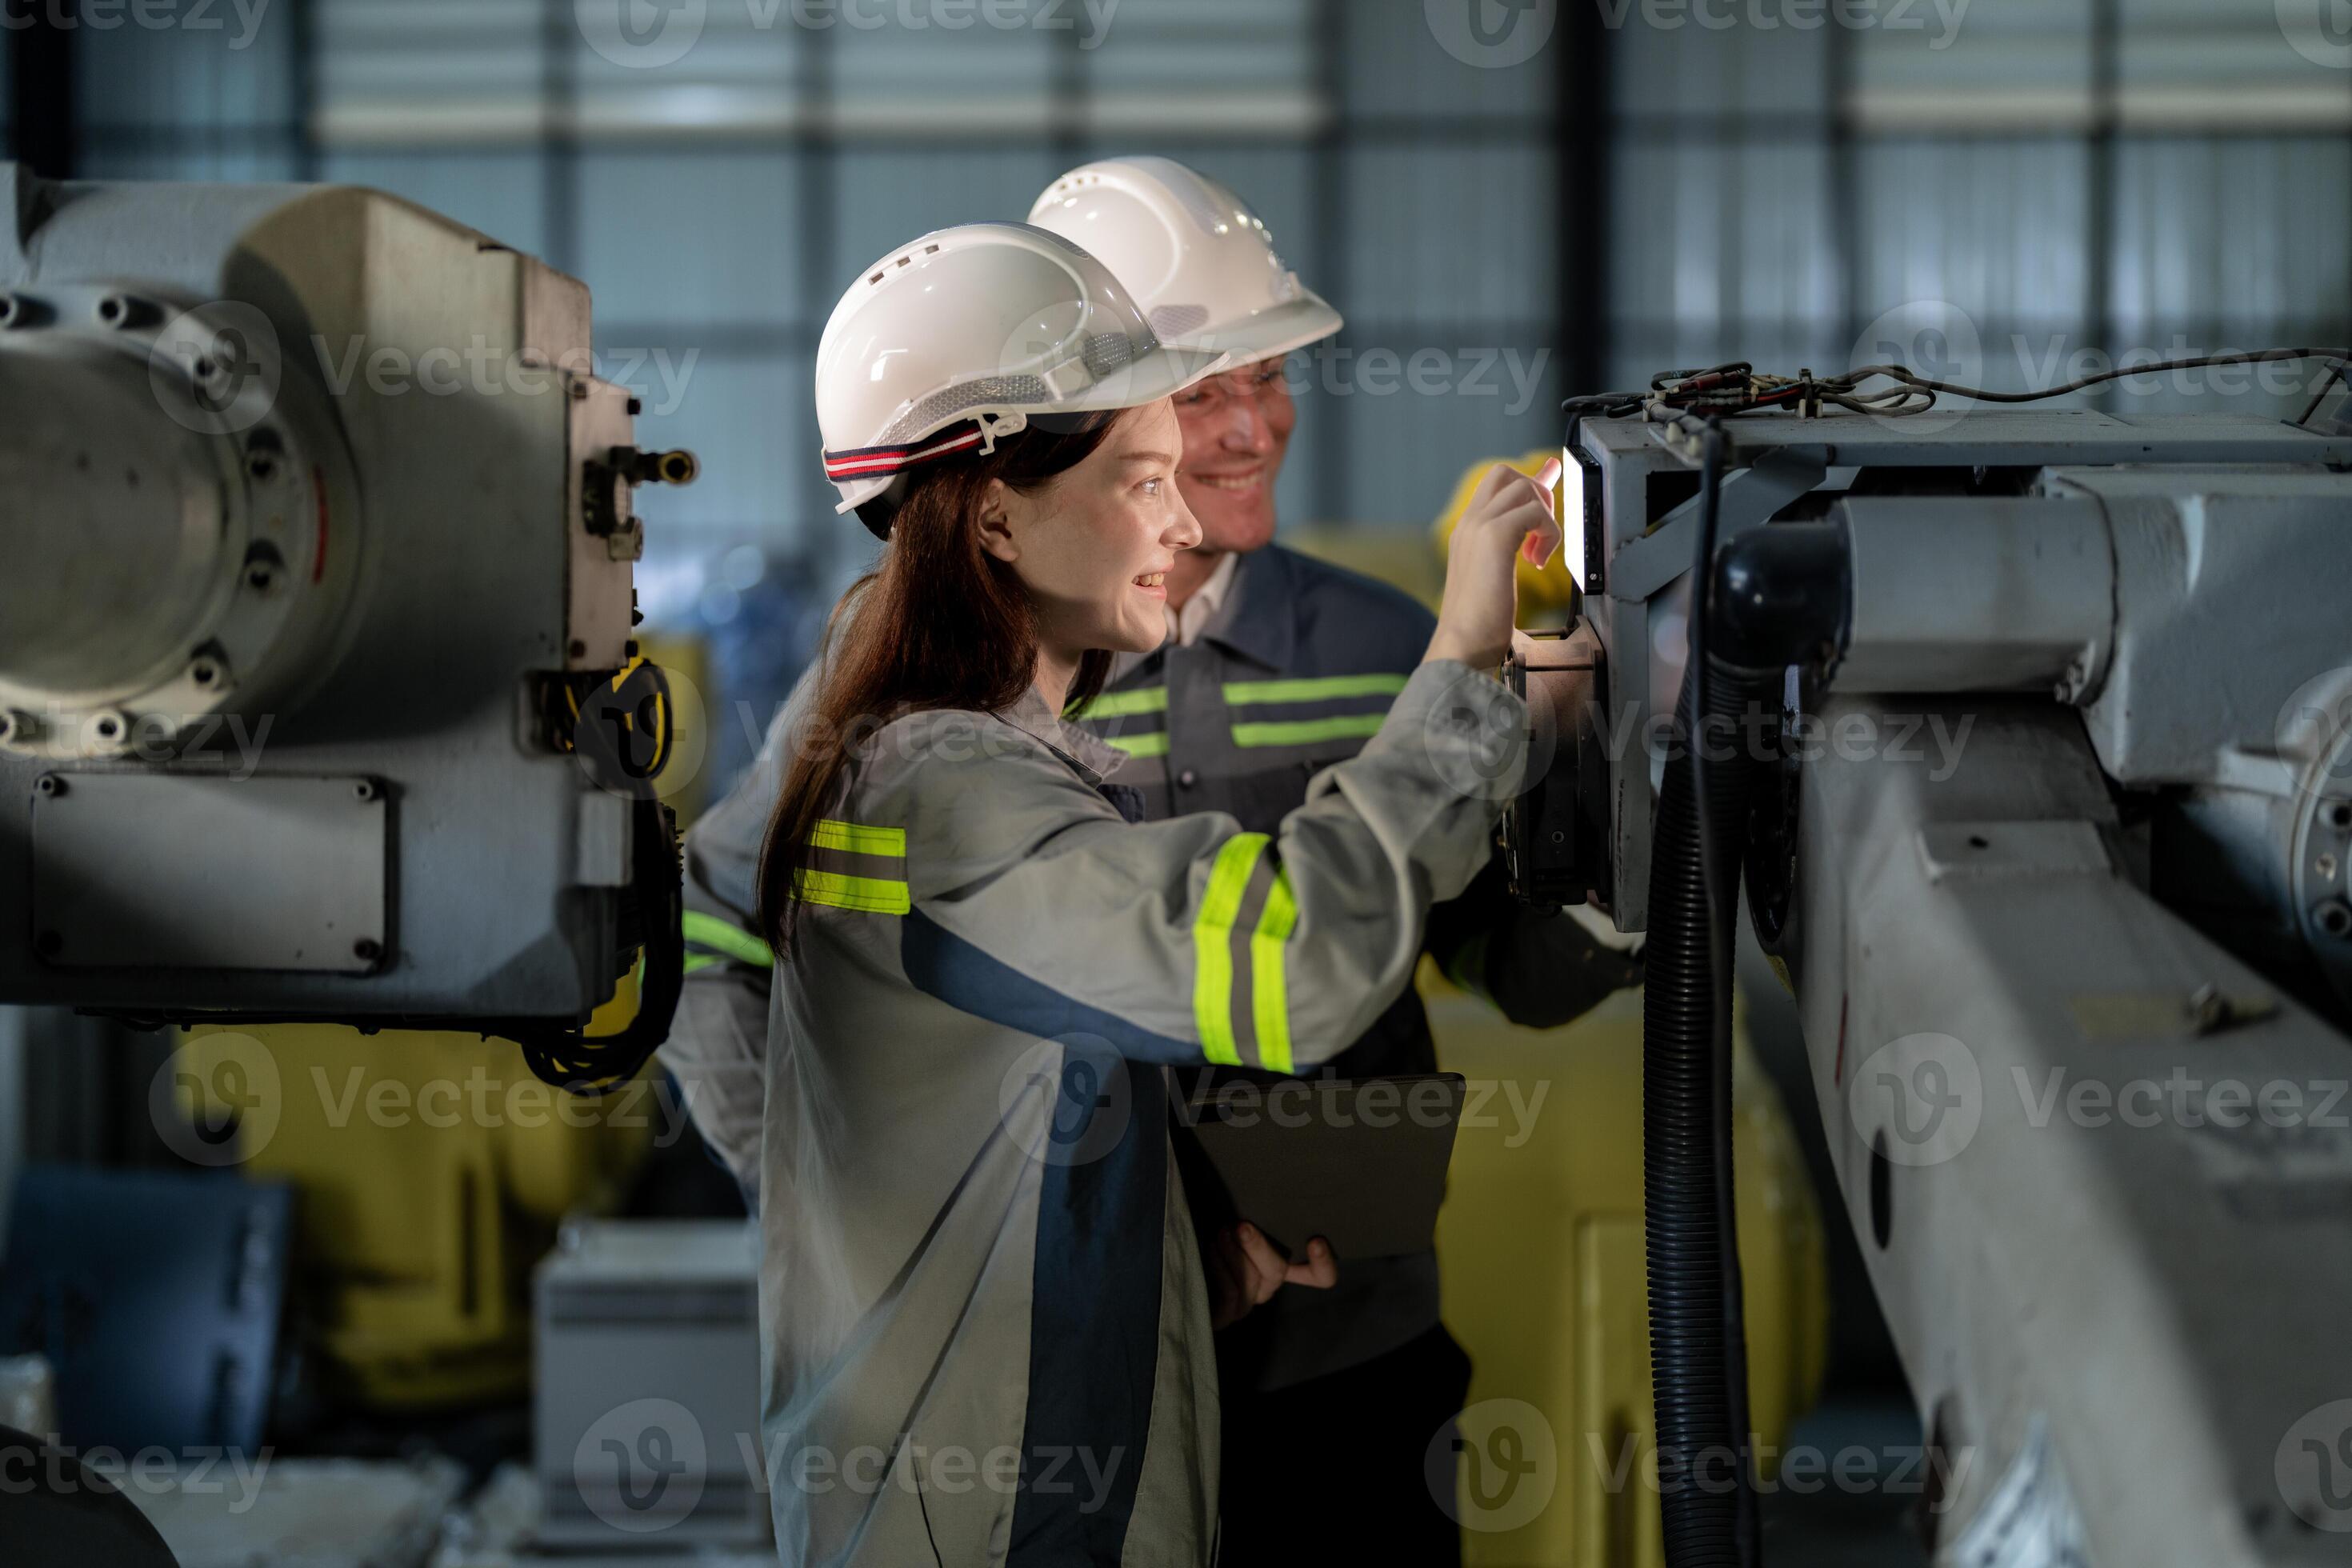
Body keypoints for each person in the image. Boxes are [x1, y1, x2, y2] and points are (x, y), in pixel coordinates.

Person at [670, 218, 1560, 1566]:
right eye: (1140, 473)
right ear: (991, 512)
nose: (1183, 513)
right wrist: (1464, 664)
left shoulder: (938, 747)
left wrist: (1173, 1257)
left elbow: (1009, 1110)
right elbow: (1292, 962)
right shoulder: (949, 790)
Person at [1025, 158, 1642, 1563]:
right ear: (1089, 422)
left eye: (1275, 378)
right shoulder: (973, 687)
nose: (1256, 429)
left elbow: (1519, 969)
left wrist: (1598, 790)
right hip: (1086, 1375)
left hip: (1351, 1364)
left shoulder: (1390, 652)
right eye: (1204, 390)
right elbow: (731, 949)